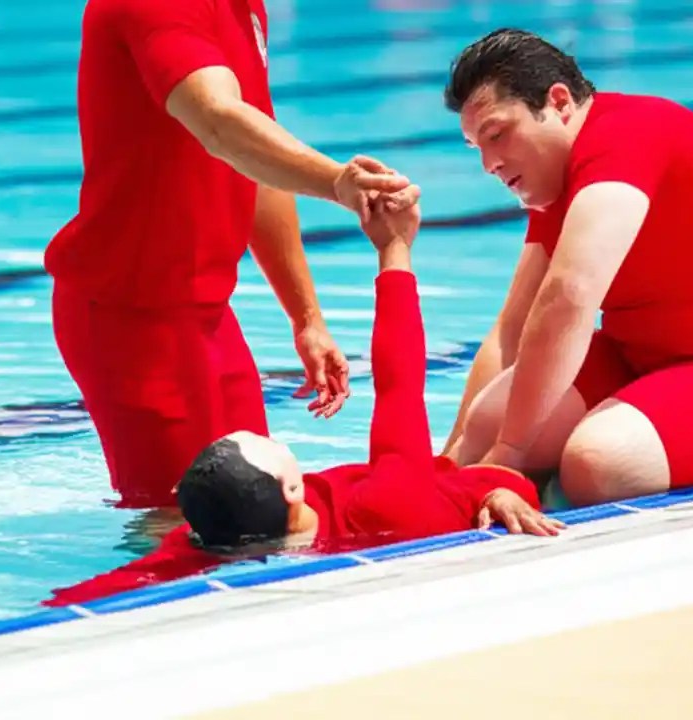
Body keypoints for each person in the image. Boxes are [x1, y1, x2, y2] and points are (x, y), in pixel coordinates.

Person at [43, 189, 564, 607]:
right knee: (508, 417)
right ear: (293, 490)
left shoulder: (209, 539)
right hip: (482, 488)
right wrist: (395, 252)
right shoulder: (386, 502)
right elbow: (398, 380)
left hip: (431, 489)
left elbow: (111, 586)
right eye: (256, 443)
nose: (247, 429)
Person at [439, 30, 693, 506]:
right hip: (645, 360)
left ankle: (547, 491)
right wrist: (455, 459)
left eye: (497, 135)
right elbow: (510, 331)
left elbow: (569, 297)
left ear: (558, 102)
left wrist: (506, 461)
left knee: (597, 463)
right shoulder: (556, 181)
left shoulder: (625, 139)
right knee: (485, 421)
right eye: (478, 148)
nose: (490, 164)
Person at [44, 0, 415, 508]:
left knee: (265, 509)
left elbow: (258, 161)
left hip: (208, 315)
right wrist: (335, 182)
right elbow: (219, 122)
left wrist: (306, 317)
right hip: (130, 321)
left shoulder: (244, 8)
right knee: (180, 523)